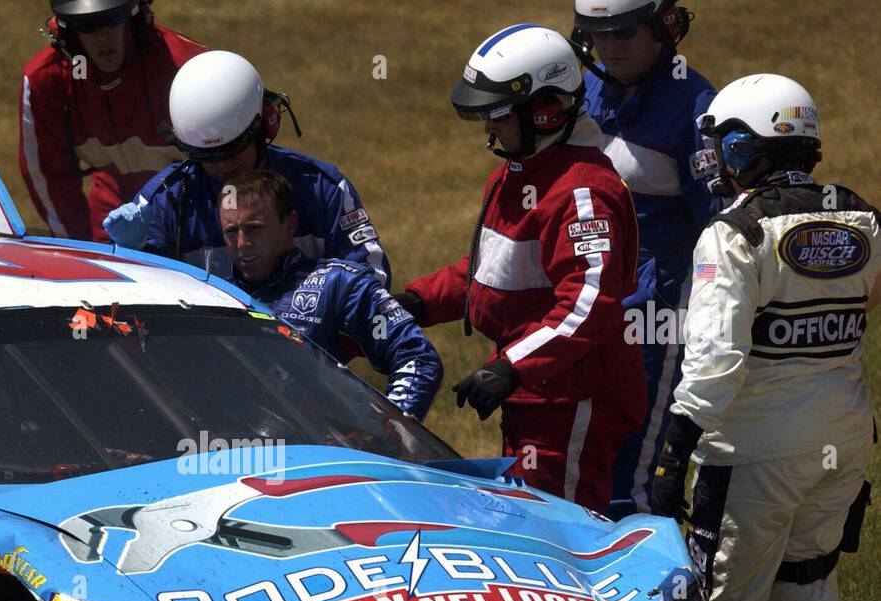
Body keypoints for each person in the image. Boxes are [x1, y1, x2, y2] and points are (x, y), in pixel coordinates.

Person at [650, 75, 881, 601]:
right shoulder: (864, 221)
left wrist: (673, 448)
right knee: (809, 593)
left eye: (723, 142)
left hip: (751, 455)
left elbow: (716, 360)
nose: (713, 157)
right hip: (842, 440)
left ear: (750, 145)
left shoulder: (734, 232)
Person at [396, 24, 643, 510]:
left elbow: (589, 304)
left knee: (566, 532)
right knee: (531, 516)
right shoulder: (519, 171)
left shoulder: (580, 192)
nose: (488, 129)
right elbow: (488, 270)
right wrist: (417, 302)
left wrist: (512, 367)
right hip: (537, 395)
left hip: (572, 401)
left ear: (547, 109)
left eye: (497, 116)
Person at [571, 0, 723, 518]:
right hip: (587, 292)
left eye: (624, 32)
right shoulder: (583, 88)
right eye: (597, 34)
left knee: (636, 454)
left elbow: (720, 232)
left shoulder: (698, 109)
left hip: (657, 306)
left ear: (664, 28)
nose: (609, 47)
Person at [105, 50, 390, 286]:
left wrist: (313, 314)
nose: (223, 165)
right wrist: (131, 256)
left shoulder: (323, 190)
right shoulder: (163, 203)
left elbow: (373, 279)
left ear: (266, 125)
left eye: (233, 150)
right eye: (207, 156)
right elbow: (133, 306)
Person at [220, 169, 440, 419]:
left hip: (318, 450)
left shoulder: (338, 283)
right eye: (231, 231)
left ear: (290, 224)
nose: (241, 243)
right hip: (229, 451)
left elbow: (417, 358)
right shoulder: (211, 294)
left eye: (255, 228)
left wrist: (394, 434)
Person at [18, 0, 206, 243]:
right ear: (67, 32)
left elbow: (233, 169)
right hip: (114, 214)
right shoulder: (46, 83)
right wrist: (81, 253)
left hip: (195, 210)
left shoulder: (189, 70)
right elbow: (51, 179)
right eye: (87, 26)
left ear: (135, 17)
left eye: (111, 20)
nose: (102, 36)